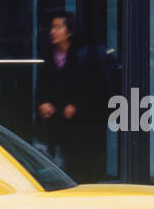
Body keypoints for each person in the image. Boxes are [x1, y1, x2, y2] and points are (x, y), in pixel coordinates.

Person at [35, 12, 108, 182]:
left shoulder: (85, 55)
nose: (53, 32)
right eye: (52, 27)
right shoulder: (48, 55)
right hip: (56, 122)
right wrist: (42, 103)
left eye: (58, 27)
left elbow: (97, 87)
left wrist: (76, 105)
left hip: (81, 125)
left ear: (69, 32)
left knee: (80, 167)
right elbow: (41, 86)